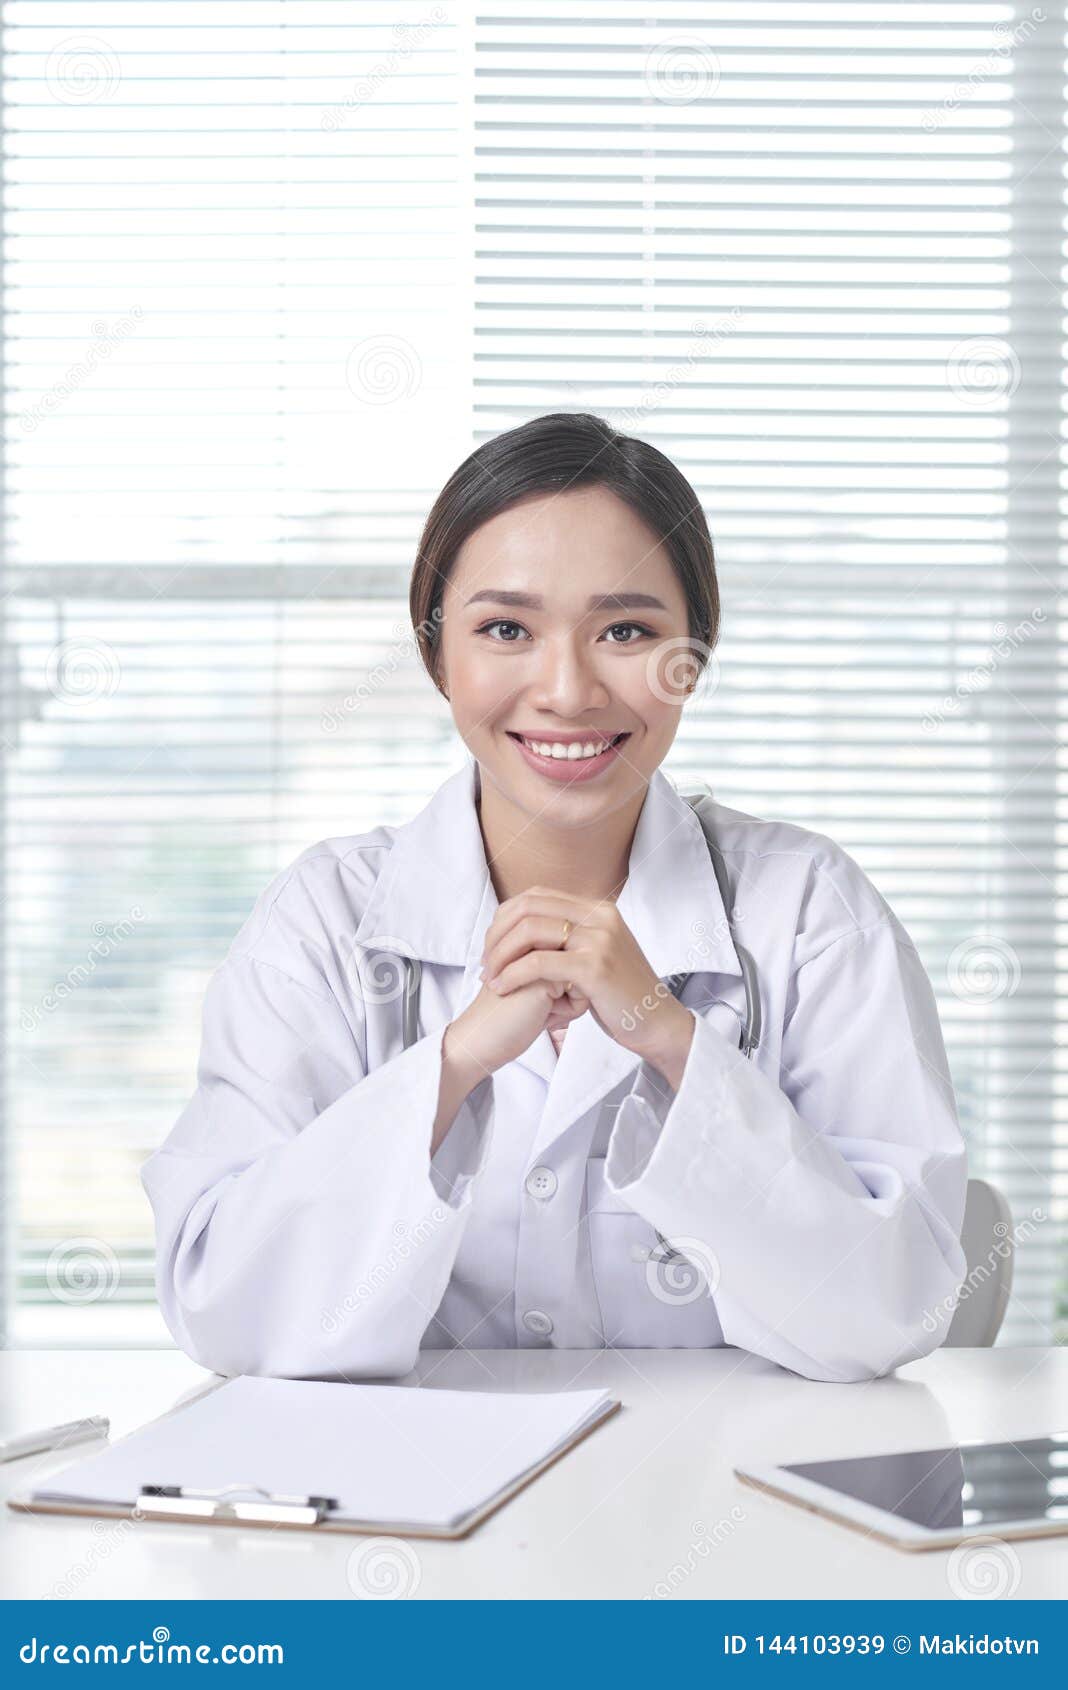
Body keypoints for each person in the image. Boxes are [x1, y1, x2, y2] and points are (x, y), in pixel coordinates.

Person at [142, 412, 968, 1384]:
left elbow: (889, 1305)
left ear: (693, 657)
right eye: (505, 629)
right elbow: (223, 1308)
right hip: (403, 1518)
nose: (568, 689)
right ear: (437, 655)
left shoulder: (810, 911)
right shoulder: (323, 921)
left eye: (626, 630)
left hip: (729, 1513)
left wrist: (667, 1033)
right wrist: (454, 1063)